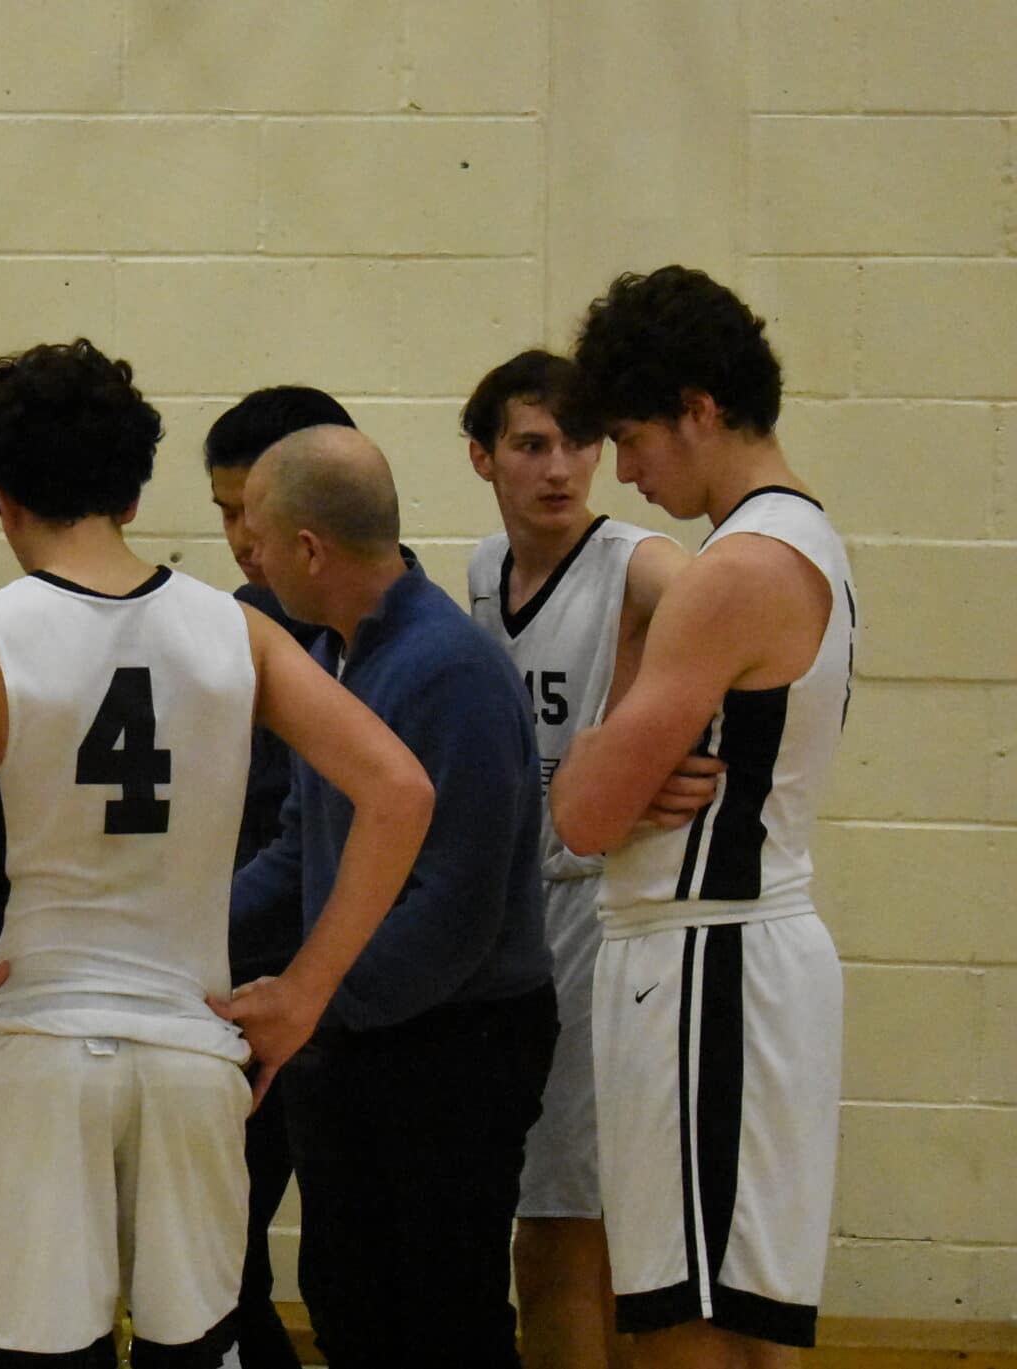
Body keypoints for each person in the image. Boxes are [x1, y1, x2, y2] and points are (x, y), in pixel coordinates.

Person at [0, 340, 434, 1369]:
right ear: (132, 493)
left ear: (2, 498)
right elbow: (399, 790)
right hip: (190, 1046)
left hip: (38, 1046)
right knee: (196, 1353)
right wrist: (307, 989)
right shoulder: (238, 632)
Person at [551, 267, 858, 1369]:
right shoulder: (803, 540)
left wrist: (597, 760)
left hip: (703, 958)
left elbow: (582, 812)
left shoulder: (731, 572)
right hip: (737, 950)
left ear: (697, 406)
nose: (622, 471)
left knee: (683, 1327)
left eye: (630, 438)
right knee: (742, 1319)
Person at [232, 424, 559, 1367]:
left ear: (308, 548)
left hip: (455, 1047)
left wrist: (309, 997)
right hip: (362, 1037)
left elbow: (455, 912)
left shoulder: (447, 668)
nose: (245, 553)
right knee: (348, 1296)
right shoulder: (344, 656)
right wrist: (178, 939)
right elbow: (300, 853)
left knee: (439, 1315)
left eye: (254, 531)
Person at [462, 349, 690, 1369]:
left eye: (580, 442)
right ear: (481, 457)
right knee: (543, 1210)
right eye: (530, 444)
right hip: (509, 918)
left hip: (601, 913)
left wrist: (678, 751)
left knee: (566, 1221)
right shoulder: (477, 573)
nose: (560, 466)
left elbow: (734, 611)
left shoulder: (635, 560)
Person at [202, 384, 354, 1369]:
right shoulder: (221, 629)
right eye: (222, 515)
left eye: (251, 512)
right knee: (222, 1260)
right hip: (245, 984)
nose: (240, 539)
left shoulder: (400, 630)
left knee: (352, 1272)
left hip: (359, 995)